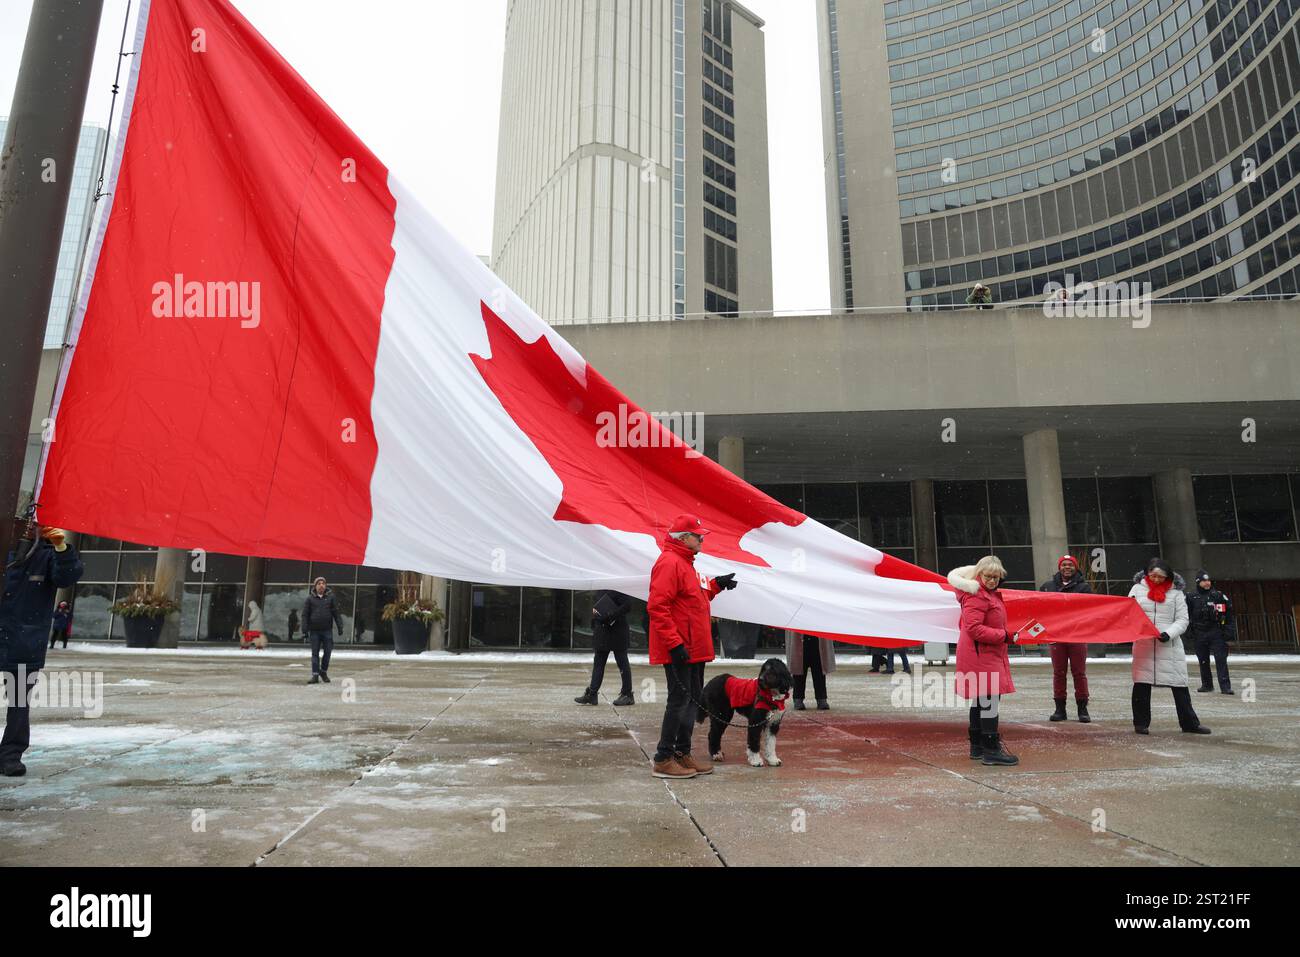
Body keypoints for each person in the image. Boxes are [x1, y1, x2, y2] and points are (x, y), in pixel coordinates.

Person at [647, 513, 736, 779]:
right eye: (698, 536)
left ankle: (681, 753)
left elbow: (694, 596)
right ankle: (664, 758)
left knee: (692, 700)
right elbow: (657, 607)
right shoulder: (669, 563)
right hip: (681, 649)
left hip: (694, 649)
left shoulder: (685, 563)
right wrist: (674, 644)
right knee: (678, 701)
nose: (701, 539)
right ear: (683, 538)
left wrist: (717, 585)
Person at [0, 525, 84, 776]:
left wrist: (61, 548)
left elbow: (67, 576)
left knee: (18, 701)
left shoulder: (47, 554)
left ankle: (10, 754)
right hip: (16, 634)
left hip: (24, 640)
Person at [948, 556, 1019, 766]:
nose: (992, 580)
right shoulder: (977, 595)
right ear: (979, 574)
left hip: (981, 654)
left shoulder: (984, 593)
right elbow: (974, 629)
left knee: (981, 700)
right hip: (981, 654)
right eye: (988, 576)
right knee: (989, 701)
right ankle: (990, 750)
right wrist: (1004, 635)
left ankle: (978, 746)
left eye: (996, 577)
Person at [1128, 558, 1210, 735]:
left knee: (1179, 685)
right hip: (1144, 644)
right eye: (1153, 576)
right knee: (1141, 685)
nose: (1156, 579)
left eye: (1161, 577)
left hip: (1170, 645)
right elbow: (1129, 612)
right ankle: (1141, 723)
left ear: (1168, 576)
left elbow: (1183, 619)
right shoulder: (1137, 589)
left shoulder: (1176, 593)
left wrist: (1169, 633)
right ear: (1147, 574)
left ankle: (1189, 723)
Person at [1039, 554, 1093, 722]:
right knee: (1058, 673)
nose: (1067, 567)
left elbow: (1090, 610)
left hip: (1077, 635)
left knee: (1079, 673)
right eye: (1064, 565)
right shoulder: (1047, 587)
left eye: (1070, 564)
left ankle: (1082, 709)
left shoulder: (1084, 588)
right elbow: (1039, 608)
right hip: (1056, 636)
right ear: (1059, 567)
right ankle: (1059, 709)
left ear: (1075, 567)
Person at [575, 589, 635, 706]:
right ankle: (592, 694)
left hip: (617, 631)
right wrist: (596, 615)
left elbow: (627, 606)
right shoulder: (601, 588)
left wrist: (610, 615)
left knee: (622, 662)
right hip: (603, 631)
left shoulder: (619, 586)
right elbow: (599, 607)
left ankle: (627, 694)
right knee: (598, 663)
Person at [1187, 570, 1235, 695]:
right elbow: (1186, 615)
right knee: (1203, 660)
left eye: (1208, 580)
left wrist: (1229, 631)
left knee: (1221, 659)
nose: (1207, 583)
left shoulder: (1218, 595)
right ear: (1198, 582)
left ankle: (1225, 687)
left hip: (1216, 631)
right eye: (1204, 581)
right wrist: (1189, 631)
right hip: (1199, 632)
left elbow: (1228, 614)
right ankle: (1207, 685)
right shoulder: (1191, 597)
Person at [302, 576, 343, 684]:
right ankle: (315, 675)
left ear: (325, 586)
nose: (321, 585)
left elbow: (336, 613)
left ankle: (323, 672)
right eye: (319, 583)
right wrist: (304, 629)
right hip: (314, 631)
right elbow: (305, 615)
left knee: (328, 652)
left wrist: (340, 626)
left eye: (323, 583)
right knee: (315, 653)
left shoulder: (331, 598)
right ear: (315, 586)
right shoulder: (310, 599)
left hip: (327, 631)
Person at [785, 630, 835, 710]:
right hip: (800, 637)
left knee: (819, 671)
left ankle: (821, 699)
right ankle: (798, 699)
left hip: (817, 637)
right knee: (798, 672)